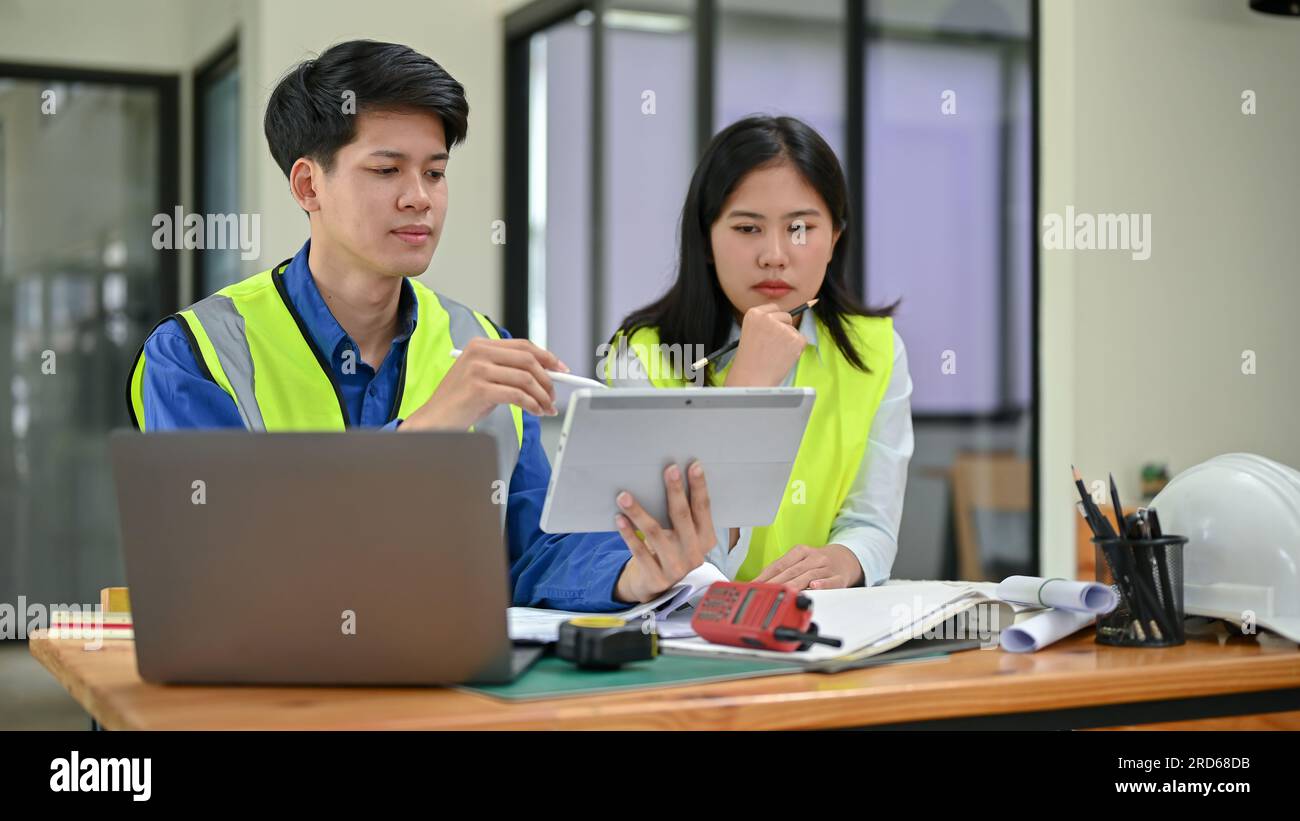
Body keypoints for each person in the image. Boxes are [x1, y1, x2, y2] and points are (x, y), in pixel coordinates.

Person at [126, 40, 714, 609]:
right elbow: (220, 564)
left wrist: (632, 575)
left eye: (434, 173)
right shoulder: (196, 353)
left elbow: (531, 552)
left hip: (459, 672)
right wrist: (429, 430)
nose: (419, 198)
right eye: (387, 170)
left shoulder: (484, 345)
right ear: (308, 185)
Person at [606, 115, 914, 591]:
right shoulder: (641, 356)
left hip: (820, 619)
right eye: (748, 228)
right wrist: (745, 390)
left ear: (834, 238)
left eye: (800, 228)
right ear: (707, 239)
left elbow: (872, 524)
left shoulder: (877, 350)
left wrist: (844, 558)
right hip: (690, 623)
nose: (774, 254)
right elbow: (689, 563)